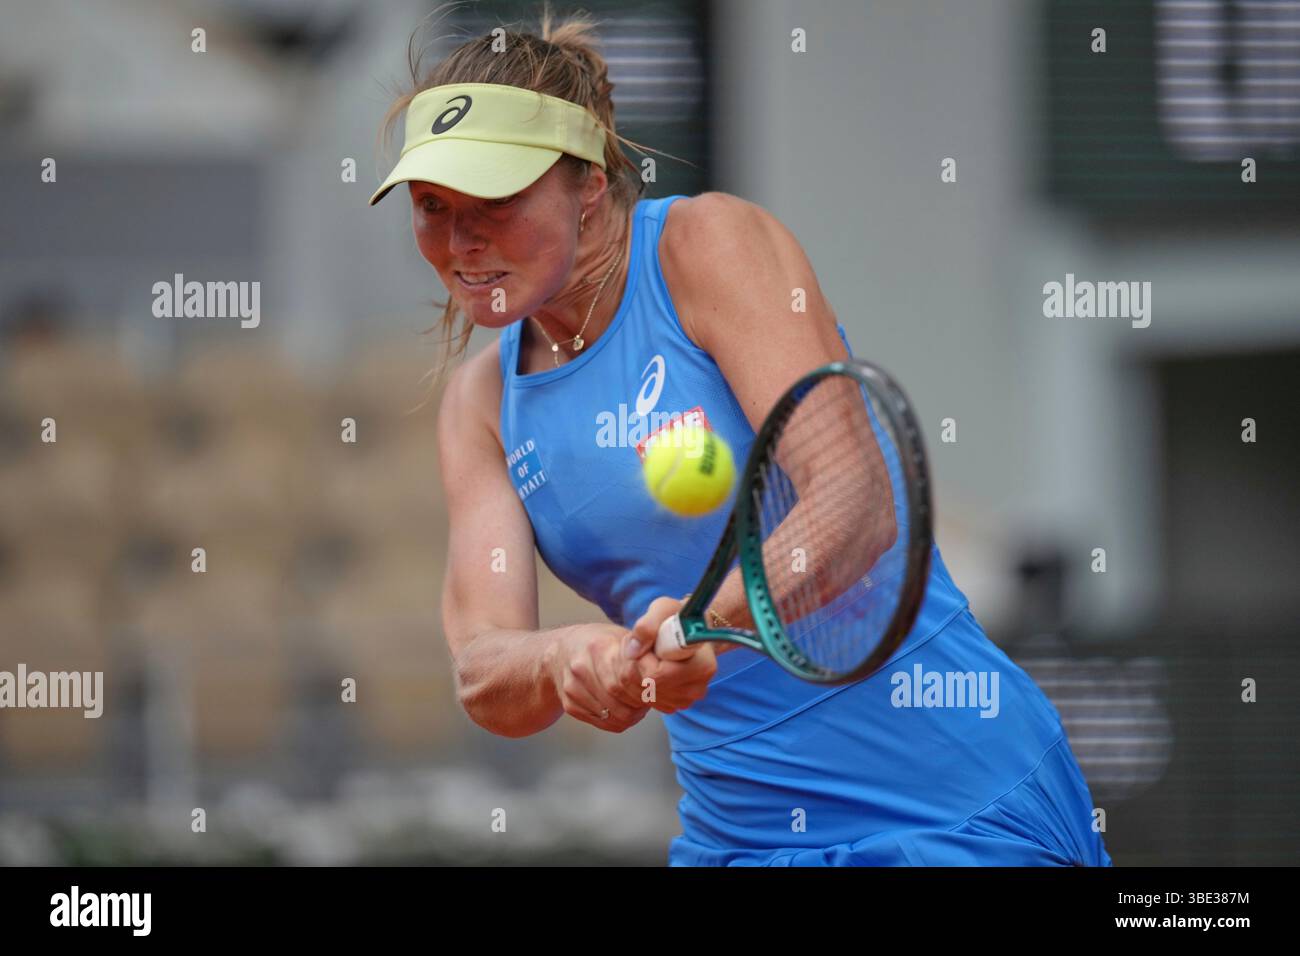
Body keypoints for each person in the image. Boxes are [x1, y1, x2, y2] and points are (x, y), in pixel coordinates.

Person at [371, 10, 1111, 867]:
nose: (461, 241)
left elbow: (856, 503)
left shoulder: (707, 245)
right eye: (432, 207)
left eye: (494, 200)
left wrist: (698, 626)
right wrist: (571, 658)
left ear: (588, 183)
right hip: (742, 842)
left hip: (954, 806)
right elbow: (484, 671)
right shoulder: (480, 406)